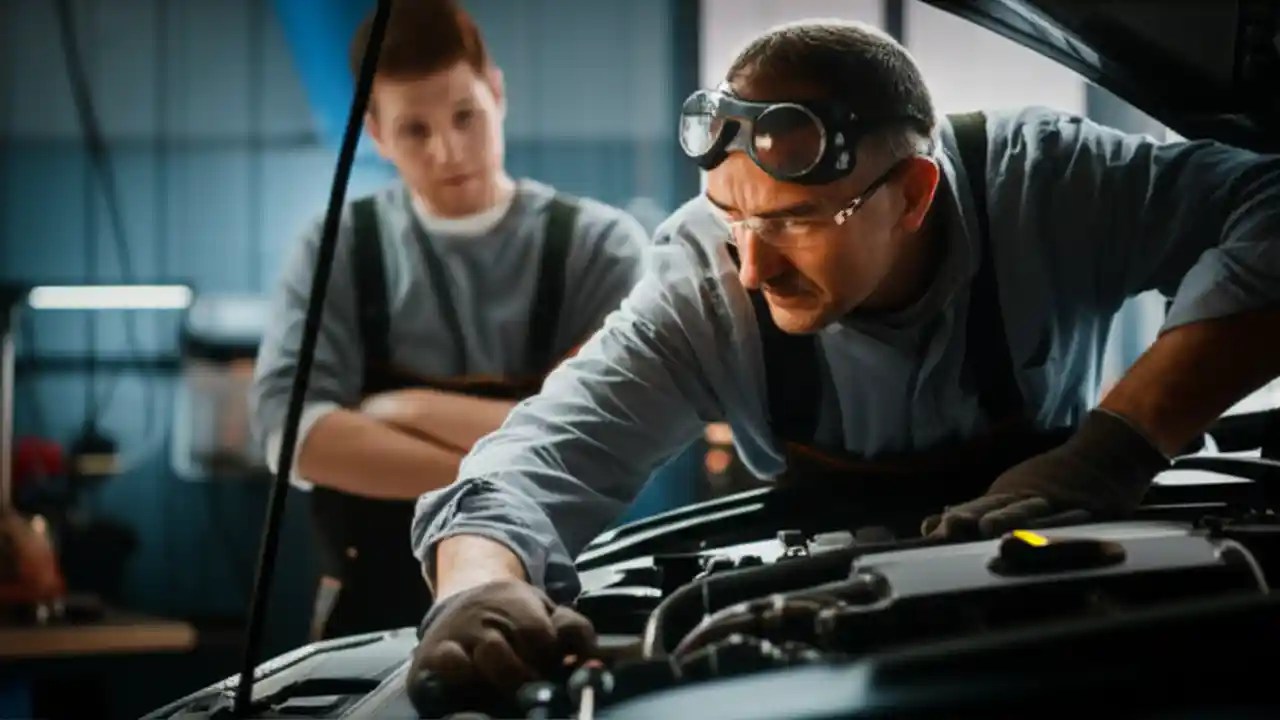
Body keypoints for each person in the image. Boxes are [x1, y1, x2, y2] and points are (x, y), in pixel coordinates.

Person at [406, 18, 1280, 696]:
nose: (754, 264)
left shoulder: (1049, 186)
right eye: (732, 217)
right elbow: (537, 458)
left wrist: (1114, 450)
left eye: (792, 221)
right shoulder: (703, 287)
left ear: (912, 195)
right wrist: (477, 586)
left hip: (1063, 614)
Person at [250, 0, 648, 641]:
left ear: (497, 93)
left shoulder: (600, 249)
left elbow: (609, 433)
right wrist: (529, 466)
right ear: (376, 134)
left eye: (466, 115)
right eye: (415, 129)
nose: (449, 149)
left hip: (558, 608)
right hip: (369, 622)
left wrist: (399, 410)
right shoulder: (338, 250)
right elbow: (294, 436)